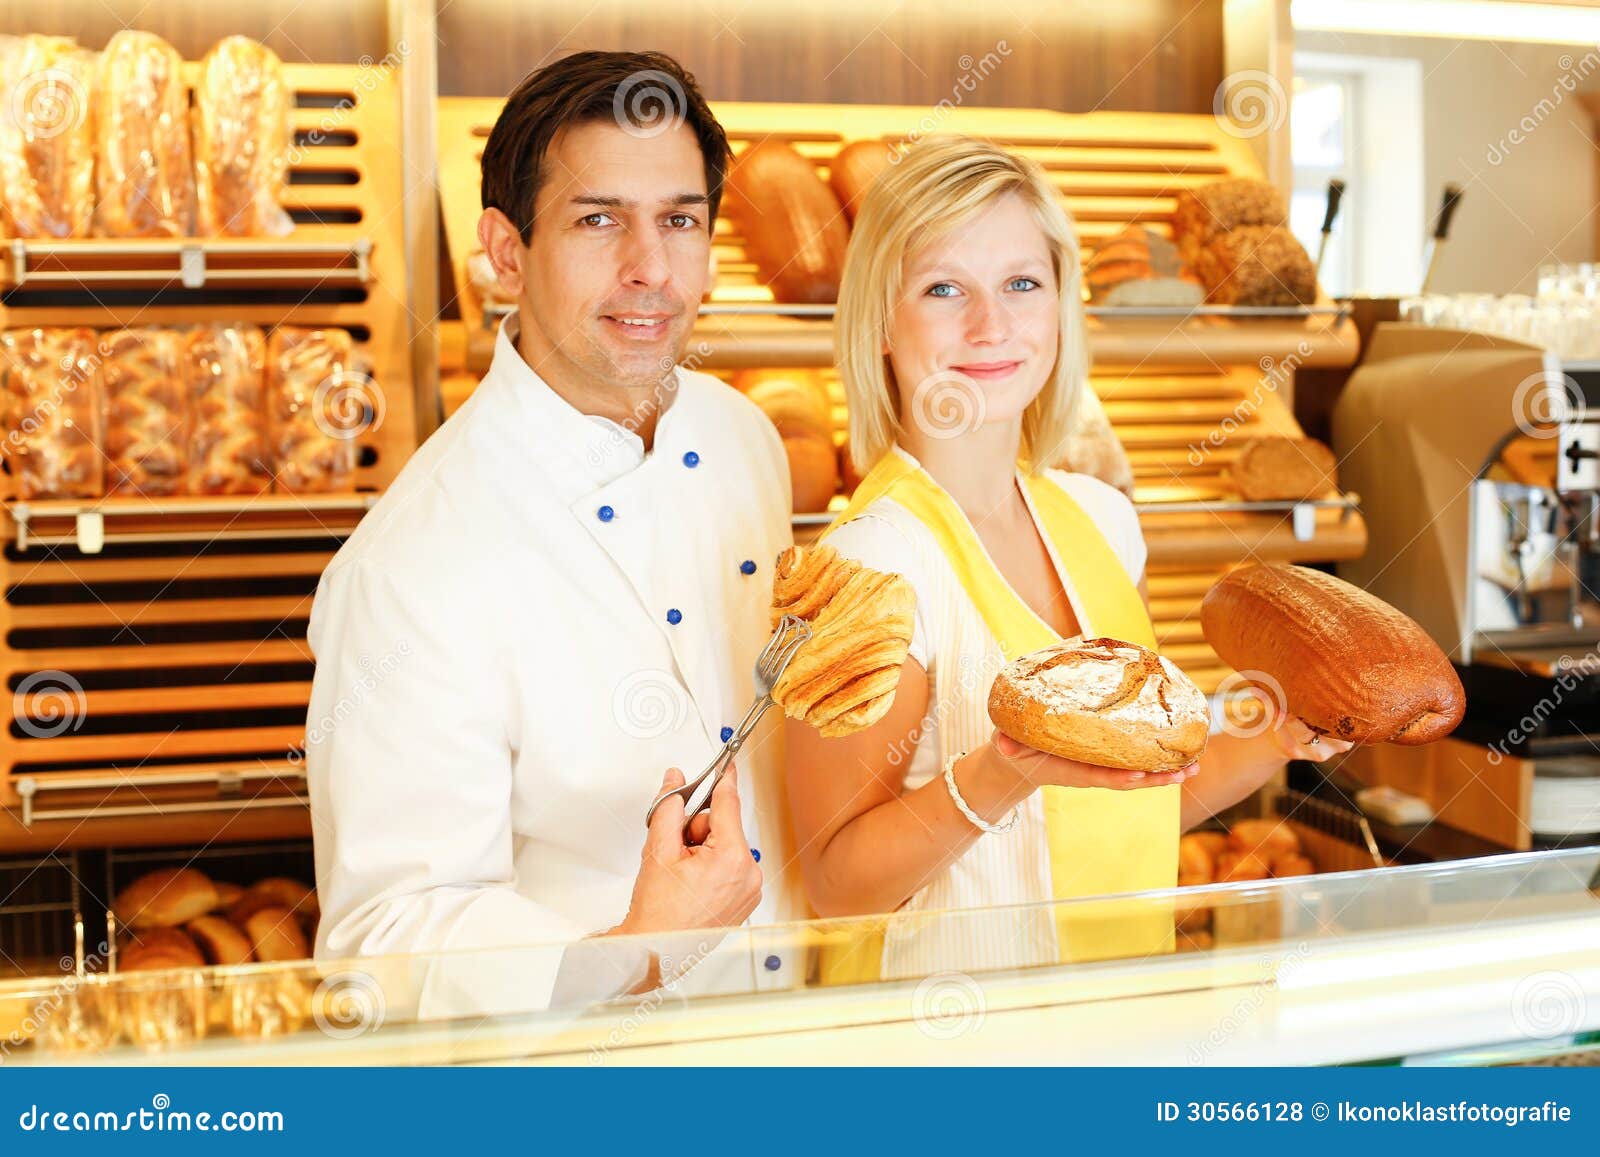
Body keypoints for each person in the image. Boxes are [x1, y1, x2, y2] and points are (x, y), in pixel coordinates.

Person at [304, 50, 802, 1017]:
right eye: (597, 219)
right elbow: (381, 941)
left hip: (807, 1037)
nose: (650, 268)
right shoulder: (412, 563)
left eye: (680, 220)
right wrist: (634, 952)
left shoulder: (744, 438)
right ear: (506, 248)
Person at [785, 136, 1352, 981]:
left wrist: (1278, 731)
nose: (992, 324)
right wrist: (997, 773)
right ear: (877, 323)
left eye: (1023, 283)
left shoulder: (1102, 522)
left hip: (1114, 1019)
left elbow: (1132, 800)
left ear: (1060, 305)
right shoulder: (869, 567)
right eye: (945, 289)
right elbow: (835, 885)